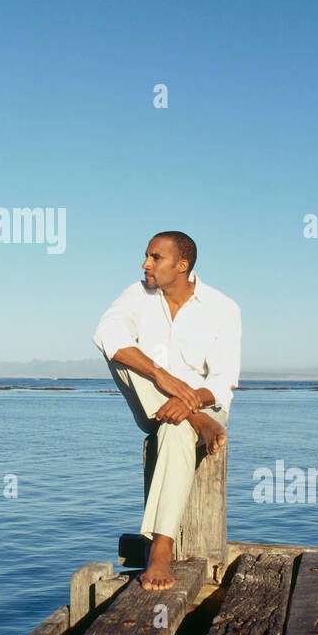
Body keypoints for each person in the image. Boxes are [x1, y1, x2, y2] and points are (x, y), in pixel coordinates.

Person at [92, 232, 242, 590]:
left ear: (182, 265)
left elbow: (224, 381)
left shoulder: (223, 308)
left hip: (208, 406)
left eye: (155, 257)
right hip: (154, 405)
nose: (145, 264)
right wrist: (162, 376)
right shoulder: (138, 295)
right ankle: (195, 420)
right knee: (120, 354)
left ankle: (161, 549)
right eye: (146, 255)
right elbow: (106, 333)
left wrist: (191, 400)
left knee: (175, 431)